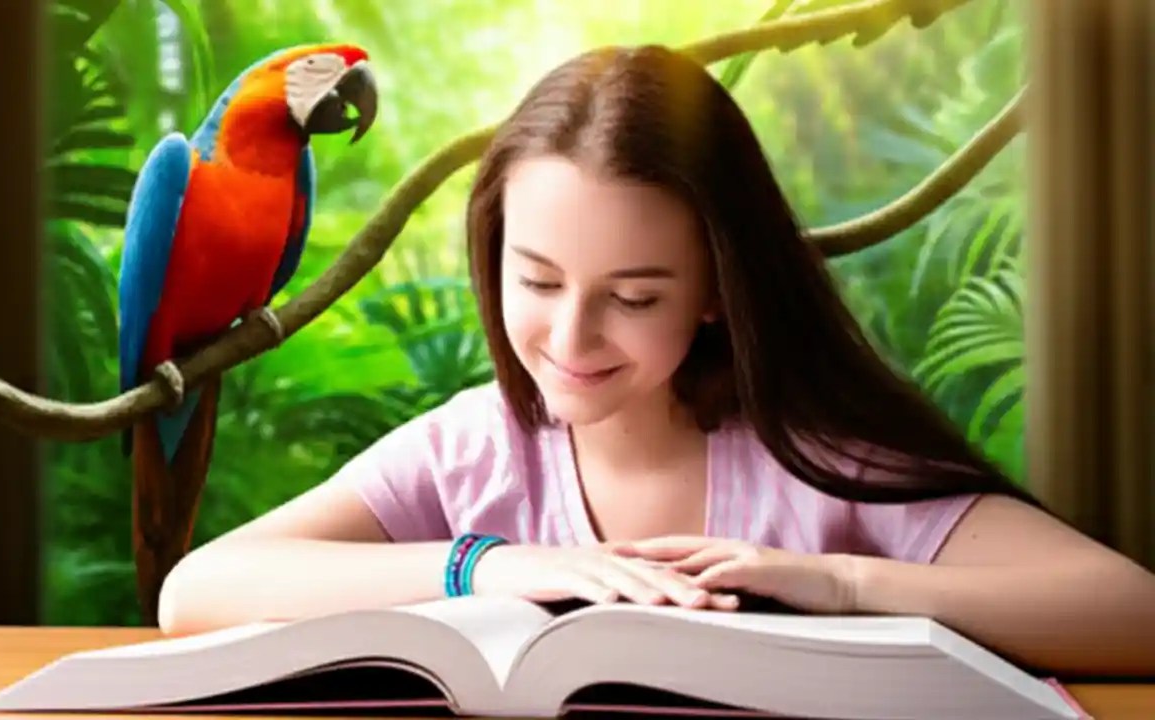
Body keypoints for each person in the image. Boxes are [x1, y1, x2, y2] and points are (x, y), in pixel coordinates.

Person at [157, 44, 1155, 677]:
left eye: (633, 298)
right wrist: (491, 565)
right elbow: (196, 591)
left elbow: (1130, 615)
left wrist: (843, 587)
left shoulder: (814, 459)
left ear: (719, 287)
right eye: (536, 281)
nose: (570, 338)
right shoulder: (471, 450)